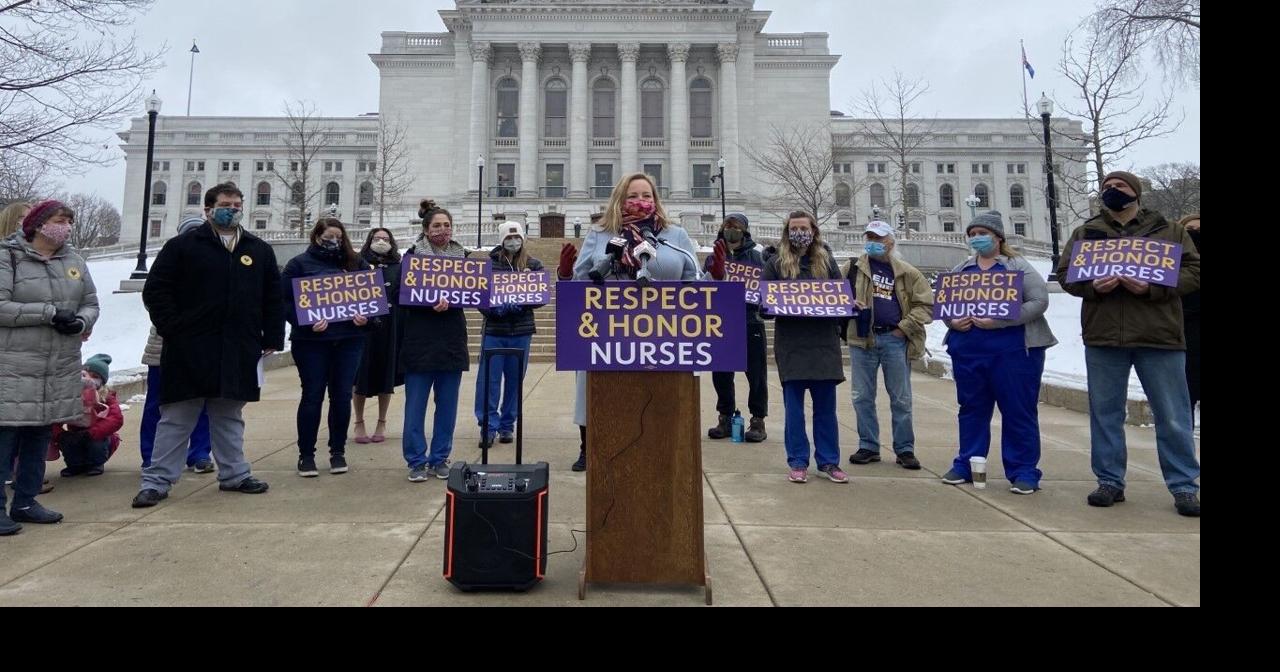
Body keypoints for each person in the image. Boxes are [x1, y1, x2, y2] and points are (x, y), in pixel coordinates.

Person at [1055, 171, 1201, 517]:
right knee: (1105, 415)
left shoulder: (1169, 231)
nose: (1111, 191)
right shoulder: (1087, 232)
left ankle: (1184, 486)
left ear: (1136, 193)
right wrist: (1093, 287)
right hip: (1105, 336)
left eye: (1119, 187)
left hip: (1159, 336)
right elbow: (1065, 275)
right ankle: (1109, 481)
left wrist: (1151, 287)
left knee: (1173, 416)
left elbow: (1194, 271)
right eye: (1106, 187)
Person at [133, 183, 284, 508]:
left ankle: (234, 474)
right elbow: (156, 291)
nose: (232, 209)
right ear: (208, 209)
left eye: (236, 204)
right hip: (190, 348)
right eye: (225, 204)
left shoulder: (258, 250)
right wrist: (174, 328)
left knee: (229, 415)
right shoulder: (182, 247)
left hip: (237, 347)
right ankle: (157, 481)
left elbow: (273, 296)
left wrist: (272, 336)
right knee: (178, 416)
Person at [557, 172, 700, 471]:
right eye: (633, 196)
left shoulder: (675, 236)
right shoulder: (600, 233)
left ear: (655, 199)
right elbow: (580, 283)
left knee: (654, 399)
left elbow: (694, 286)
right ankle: (590, 446)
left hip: (663, 334)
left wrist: (717, 278)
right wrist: (566, 275)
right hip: (607, 333)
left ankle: (661, 446)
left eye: (647, 196)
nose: (640, 201)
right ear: (620, 199)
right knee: (596, 391)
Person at [939, 212, 1057, 494]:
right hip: (969, 351)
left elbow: (1039, 300)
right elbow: (945, 306)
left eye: (982, 232)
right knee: (972, 410)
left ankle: (1024, 470)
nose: (976, 238)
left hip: (1013, 352)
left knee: (1018, 411)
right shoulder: (962, 268)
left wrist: (1003, 320)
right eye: (972, 234)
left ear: (998, 237)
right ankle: (966, 463)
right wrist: (953, 322)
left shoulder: (1017, 266)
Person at [2, 199, 100, 534]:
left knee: (40, 433)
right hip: (14, 364)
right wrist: (48, 314)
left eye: (70, 221)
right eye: (61, 220)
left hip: (57, 363)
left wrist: (81, 321)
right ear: (39, 223)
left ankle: (26, 500)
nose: (67, 227)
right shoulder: (8, 256)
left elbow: (90, 302)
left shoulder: (74, 261)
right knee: (6, 435)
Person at [281, 218, 370, 477]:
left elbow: (373, 300)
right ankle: (306, 455)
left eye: (338, 238)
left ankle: (337, 451)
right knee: (312, 396)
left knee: (341, 397)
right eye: (328, 238)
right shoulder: (298, 264)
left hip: (349, 340)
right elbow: (285, 302)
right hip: (311, 343)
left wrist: (365, 319)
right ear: (316, 237)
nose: (334, 243)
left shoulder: (356, 264)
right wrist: (305, 323)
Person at [844, 220, 934, 471]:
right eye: (870, 238)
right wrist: (850, 303)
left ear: (891, 242)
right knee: (862, 396)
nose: (873, 243)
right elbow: (833, 294)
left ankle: (905, 448)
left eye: (879, 238)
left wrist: (902, 329)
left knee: (901, 398)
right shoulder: (852, 267)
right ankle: (868, 446)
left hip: (894, 340)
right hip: (862, 339)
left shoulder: (907, 272)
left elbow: (925, 305)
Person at [765, 212, 847, 484]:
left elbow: (842, 297)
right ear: (787, 232)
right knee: (794, 410)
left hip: (823, 343)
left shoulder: (827, 261)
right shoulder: (776, 263)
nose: (799, 232)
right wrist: (766, 305)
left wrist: (851, 305)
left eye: (804, 228)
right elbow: (763, 303)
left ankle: (829, 461)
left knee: (826, 409)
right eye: (794, 228)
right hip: (792, 344)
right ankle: (798, 461)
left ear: (813, 231)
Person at [401, 200, 471, 482]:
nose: (443, 230)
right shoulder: (411, 257)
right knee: (415, 406)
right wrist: (430, 303)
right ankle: (416, 460)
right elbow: (402, 296)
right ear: (426, 229)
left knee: (447, 405)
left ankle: (440, 457)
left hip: (451, 340)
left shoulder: (463, 257)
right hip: (421, 339)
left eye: (446, 225)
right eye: (437, 226)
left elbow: (476, 293)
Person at [139, 216, 214, 473]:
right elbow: (153, 297)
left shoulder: (215, 262)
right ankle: (151, 456)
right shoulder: (168, 261)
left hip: (205, 345)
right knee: (158, 404)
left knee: (204, 403)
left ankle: (200, 453)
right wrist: (178, 324)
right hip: (166, 344)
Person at [475, 222, 544, 446]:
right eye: (509, 237)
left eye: (517, 237)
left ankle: (507, 425)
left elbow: (540, 297)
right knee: (489, 381)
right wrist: (498, 310)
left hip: (521, 331)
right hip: (495, 330)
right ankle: (487, 427)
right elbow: (480, 298)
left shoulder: (534, 265)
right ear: (502, 239)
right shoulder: (489, 266)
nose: (513, 241)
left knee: (515, 382)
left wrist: (521, 305)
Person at [703, 213, 769, 443]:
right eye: (728, 227)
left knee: (756, 375)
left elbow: (766, 290)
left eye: (736, 227)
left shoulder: (757, 257)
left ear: (745, 231)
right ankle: (725, 416)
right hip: (722, 321)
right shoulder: (714, 257)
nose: (732, 231)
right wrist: (716, 273)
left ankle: (758, 419)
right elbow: (705, 287)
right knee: (721, 373)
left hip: (750, 320)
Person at [352, 227, 404, 444]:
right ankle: (359, 421)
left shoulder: (398, 267)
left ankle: (382, 421)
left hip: (389, 326)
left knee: (385, 373)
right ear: (369, 241)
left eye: (385, 238)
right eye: (377, 238)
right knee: (360, 375)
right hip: (363, 327)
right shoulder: (358, 263)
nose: (381, 241)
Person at [52, 354, 124, 478]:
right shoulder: (71, 395)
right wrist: (61, 435)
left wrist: (92, 432)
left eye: (95, 376)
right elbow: (53, 419)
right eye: (85, 375)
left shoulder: (106, 397)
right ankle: (75, 465)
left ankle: (95, 463)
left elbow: (116, 419)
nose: (89, 379)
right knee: (68, 441)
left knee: (97, 442)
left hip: (97, 434)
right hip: (74, 434)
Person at [1178, 214, 1200, 424]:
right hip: (1183, 338)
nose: (1194, 234)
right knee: (1184, 400)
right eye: (1189, 230)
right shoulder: (1170, 265)